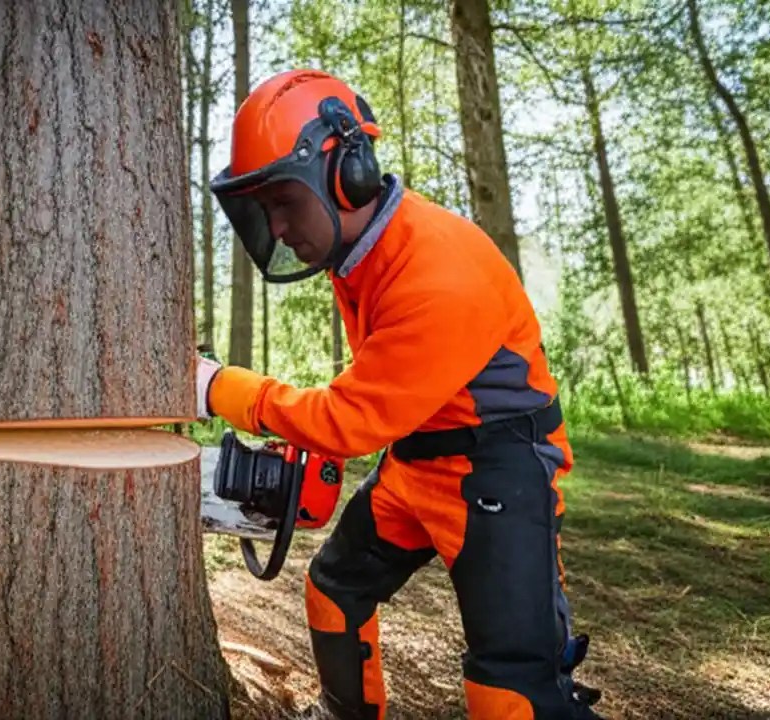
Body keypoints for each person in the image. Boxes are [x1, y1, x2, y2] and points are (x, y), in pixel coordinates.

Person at [196, 68, 603, 720]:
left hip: (497, 470)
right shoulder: (359, 253)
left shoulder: (437, 270)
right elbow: (381, 392)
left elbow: (351, 420)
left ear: (345, 173)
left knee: (512, 685)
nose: (275, 227)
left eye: (283, 202)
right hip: (417, 459)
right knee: (335, 588)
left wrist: (220, 388)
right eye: (263, 209)